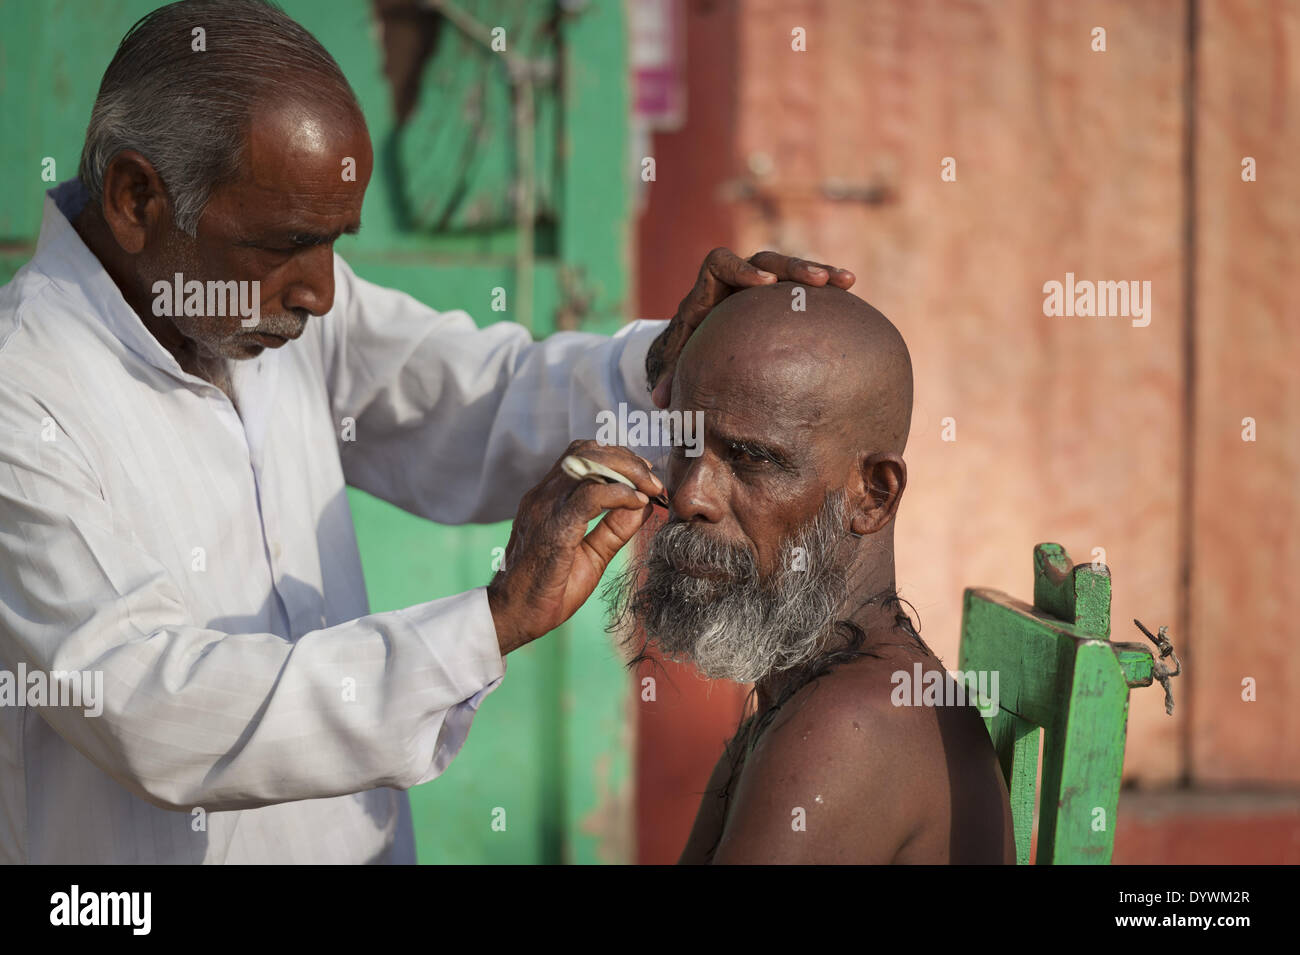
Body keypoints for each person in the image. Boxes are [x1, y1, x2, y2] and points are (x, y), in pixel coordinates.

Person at [0, 0, 854, 863]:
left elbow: (475, 400)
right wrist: (487, 622)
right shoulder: (23, 398)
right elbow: (147, 708)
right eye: (286, 243)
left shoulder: (263, 308)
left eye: (334, 243)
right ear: (136, 197)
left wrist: (659, 368)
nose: (322, 294)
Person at [606, 282, 1016, 864]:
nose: (690, 495)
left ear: (873, 495)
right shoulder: (806, 696)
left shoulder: (850, 728)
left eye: (751, 459)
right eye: (684, 445)